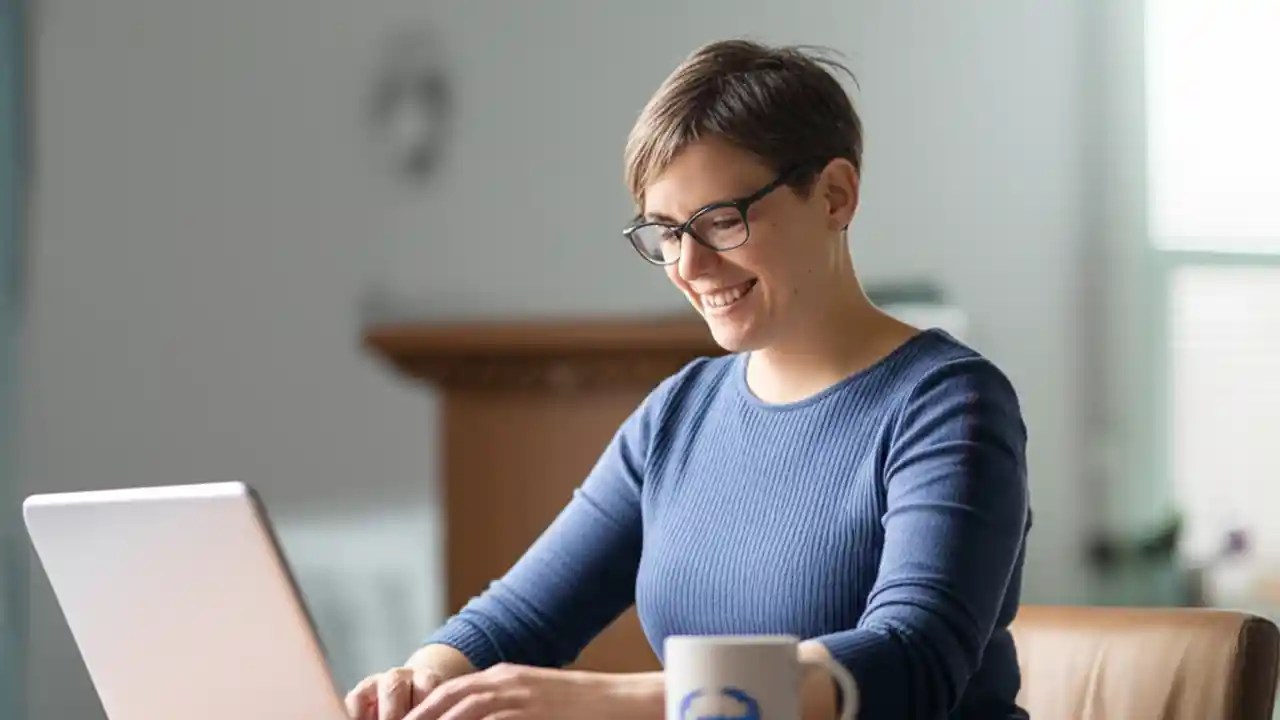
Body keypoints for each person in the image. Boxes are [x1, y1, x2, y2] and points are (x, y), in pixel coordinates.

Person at [345, 39, 1031, 720]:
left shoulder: (950, 405)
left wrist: (612, 699)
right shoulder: (679, 413)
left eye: (721, 221)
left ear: (834, 195)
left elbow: (908, 659)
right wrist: (415, 682)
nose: (690, 267)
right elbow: (516, 619)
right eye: (667, 232)